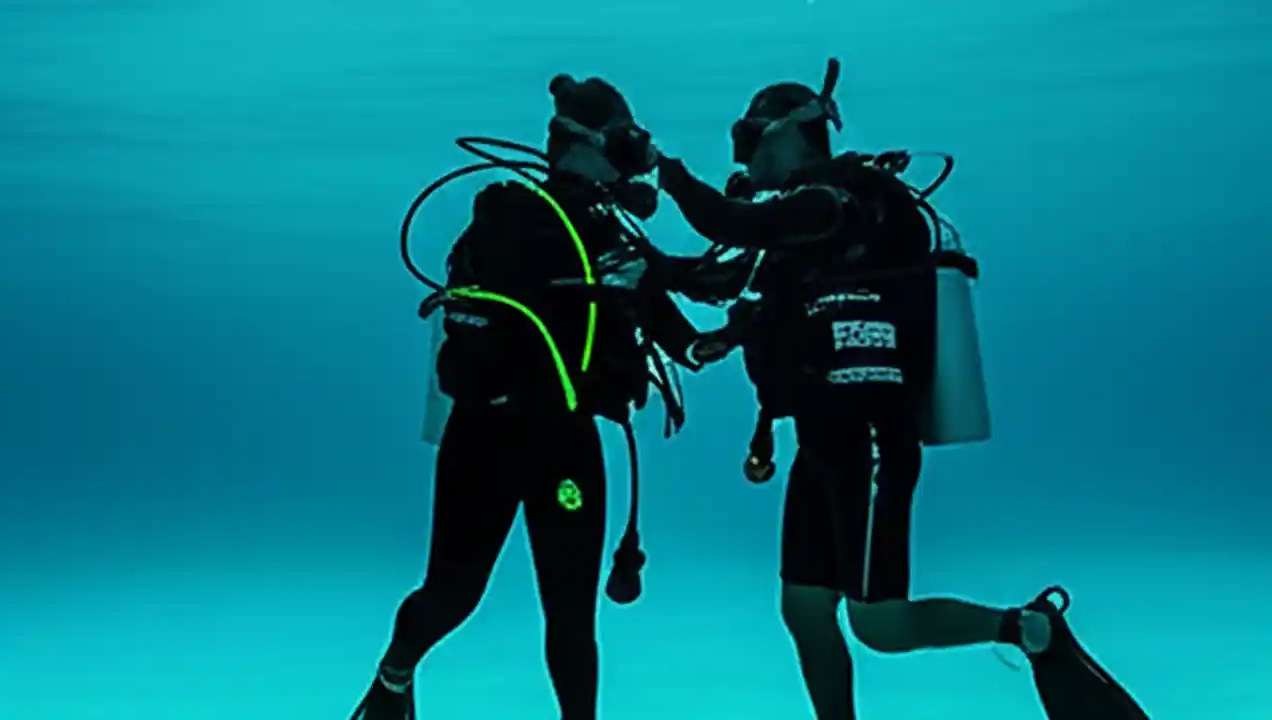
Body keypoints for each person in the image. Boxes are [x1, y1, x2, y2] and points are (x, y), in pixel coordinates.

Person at [653, 60, 1151, 720]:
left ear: (795, 135)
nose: (743, 156)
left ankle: (1032, 630)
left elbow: (730, 224)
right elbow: (726, 281)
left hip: (868, 442)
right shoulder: (803, 229)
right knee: (804, 610)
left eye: (749, 138)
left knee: (879, 629)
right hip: (820, 438)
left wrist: (671, 174)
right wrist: (655, 282)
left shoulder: (841, 203)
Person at [349, 74, 707, 720]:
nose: (630, 155)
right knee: (452, 594)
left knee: (572, 616)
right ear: (579, 145)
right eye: (622, 141)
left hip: (566, 441)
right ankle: (391, 683)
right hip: (487, 438)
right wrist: (610, 279)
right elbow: (543, 288)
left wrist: (704, 345)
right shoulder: (511, 216)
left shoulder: (610, 229)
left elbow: (657, 306)